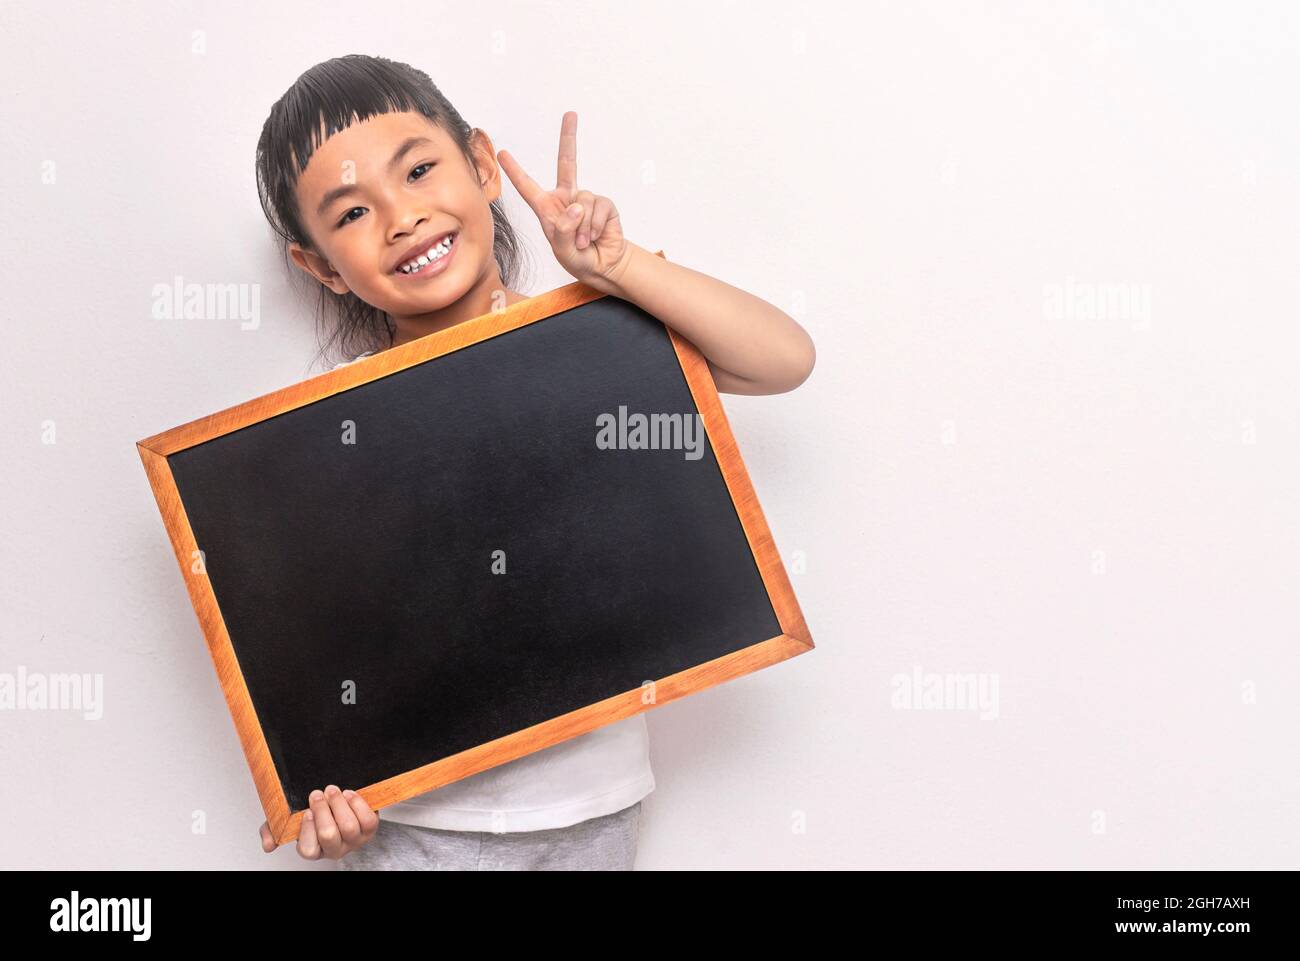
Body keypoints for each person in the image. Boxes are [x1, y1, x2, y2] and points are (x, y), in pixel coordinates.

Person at [251, 54, 815, 870]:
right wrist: (320, 790)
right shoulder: (331, 431)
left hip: (589, 814)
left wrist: (616, 269)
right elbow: (311, 636)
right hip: (412, 826)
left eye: (417, 169)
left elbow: (782, 359)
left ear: (482, 165)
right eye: (350, 213)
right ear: (318, 266)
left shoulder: (603, 343)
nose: (402, 217)